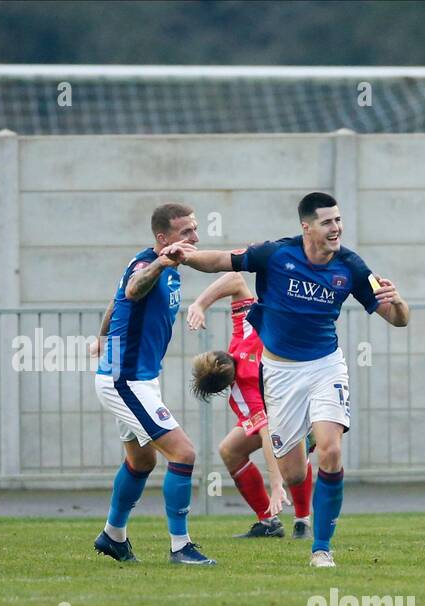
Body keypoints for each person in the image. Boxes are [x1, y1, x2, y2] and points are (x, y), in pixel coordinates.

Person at [165, 192, 409, 568]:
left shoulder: (353, 267)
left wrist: (400, 302)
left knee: (331, 451)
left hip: (326, 366)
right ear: (306, 226)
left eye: (339, 220)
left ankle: (322, 548)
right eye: (327, 222)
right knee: (294, 472)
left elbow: (396, 317)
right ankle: (307, 442)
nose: (336, 228)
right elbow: (222, 262)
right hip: (279, 374)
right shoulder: (276, 254)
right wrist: (186, 256)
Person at [92, 203, 215, 565]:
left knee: (142, 460)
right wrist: (162, 262)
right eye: (185, 232)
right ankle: (181, 546)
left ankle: (113, 536)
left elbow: (117, 304)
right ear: (162, 239)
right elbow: (132, 289)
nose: (194, 237)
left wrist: (101, 338)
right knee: (184, 453)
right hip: (125, 379)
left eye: (195, 229)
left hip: (138, 376)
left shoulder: (172, 268)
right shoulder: (148, 265)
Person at [187, 271, 314, 539]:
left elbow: (267, 433)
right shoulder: (243, 337)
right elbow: (235, 278)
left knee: (295, 460)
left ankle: (302, 520)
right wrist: (200, 303)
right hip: (301, 385)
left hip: (302, 397)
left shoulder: (241, 388)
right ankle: (270, 523)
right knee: (231, 450)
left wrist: (277, 482)